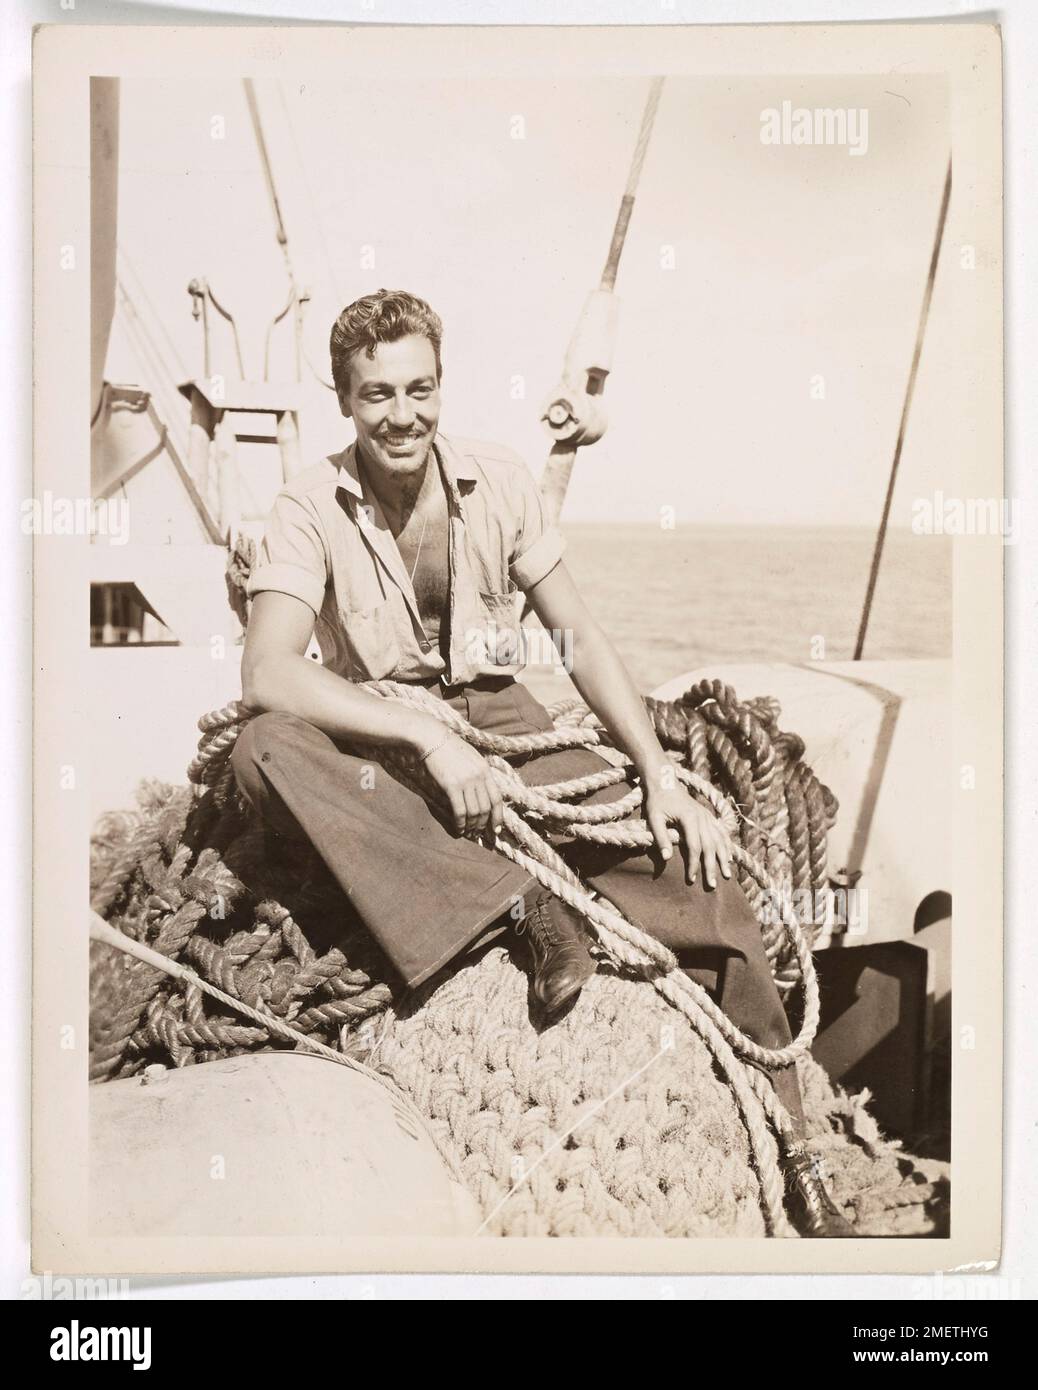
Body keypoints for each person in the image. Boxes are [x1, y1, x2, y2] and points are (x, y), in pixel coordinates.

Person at [231, 288, 852, 1237]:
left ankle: (797, 1147)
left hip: (507, 721)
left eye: (420, 388)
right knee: (264, 750)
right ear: (343, 398)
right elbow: (269, 668)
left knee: (705, 878)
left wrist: (652, 772)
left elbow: (579, 636)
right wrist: (427, 739)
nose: (402, 415)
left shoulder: (499, 480)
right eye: (377, 396)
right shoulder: (308, 506)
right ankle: (520, 905)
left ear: (442, 383)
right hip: (384, 734)